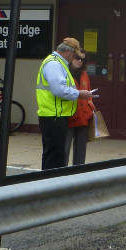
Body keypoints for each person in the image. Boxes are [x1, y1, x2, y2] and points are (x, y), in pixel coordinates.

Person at [36, 37, 95, 170]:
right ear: (68, 51)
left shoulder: (57, 63)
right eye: (75, 55)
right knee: (55, 157)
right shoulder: (54, 64)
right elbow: (59, 90)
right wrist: (80, 94)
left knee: (53, 155)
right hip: (54, 116)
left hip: (55, 115)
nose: (77, 58)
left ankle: (48, 185)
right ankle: (52, 186)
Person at [65, 48, 96, 165]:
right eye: (77, 58)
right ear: (71, 58)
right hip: (68, 117)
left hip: (83, 118)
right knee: (64, 150)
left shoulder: (84, 74)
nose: (79, 61)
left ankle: (79, 175)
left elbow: (89, 93)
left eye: (82, 60)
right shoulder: (64, 72)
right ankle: (62, 177)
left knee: (81, 153)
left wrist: (90, 109)